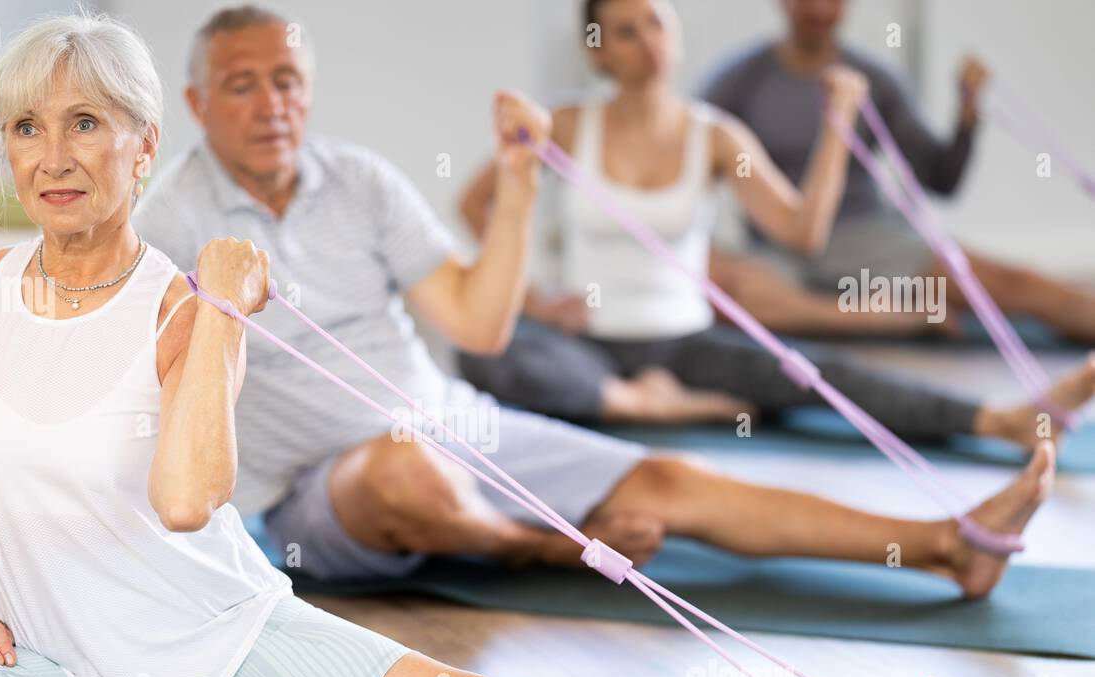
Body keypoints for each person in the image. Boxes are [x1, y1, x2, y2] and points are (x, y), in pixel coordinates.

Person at [0, 10, 950, 677]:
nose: (52, 157)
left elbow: (189, 500)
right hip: (56, 661)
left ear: (143, 149)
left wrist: (215, 312)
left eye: (86, 123)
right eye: (27, 128)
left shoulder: (181, 306)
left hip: (217, 636)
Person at [133, 5, 1052, 601]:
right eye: (241, 85)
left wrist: (525, 184)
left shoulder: (362, 179)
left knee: (668, 479)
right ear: (197, 103)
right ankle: (541, 548)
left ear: (309, 89)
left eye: (285, 80)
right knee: (394, 472)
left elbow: (477, 324)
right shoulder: (169, 219)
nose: (269, 104)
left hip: (459, 425)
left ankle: (945, 544)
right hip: (319, 495)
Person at [456, 0, 1095, 443]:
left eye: (656, 22)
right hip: (586, 344)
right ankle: (641, 403)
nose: (647, 41)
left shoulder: (714, 135)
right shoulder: (565, 123)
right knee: (481, 353)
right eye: (624, 31)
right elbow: (472, 204)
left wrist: (838, 128)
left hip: (683, 343)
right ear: (598, 53)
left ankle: (998, 421)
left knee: (819, 375)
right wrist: (536, 304)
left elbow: (802, 231)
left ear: (675, 33)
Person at [701, 0, 1095, 343]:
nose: (819, 9)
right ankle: (879, 317)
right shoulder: (738, 82)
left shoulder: (875, 81)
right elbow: (685, 155)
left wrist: (967, 117)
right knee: (723, 293)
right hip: (780, 255)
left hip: (872, 247)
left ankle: (864, 309)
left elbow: (941, 180)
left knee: (1017, 286)